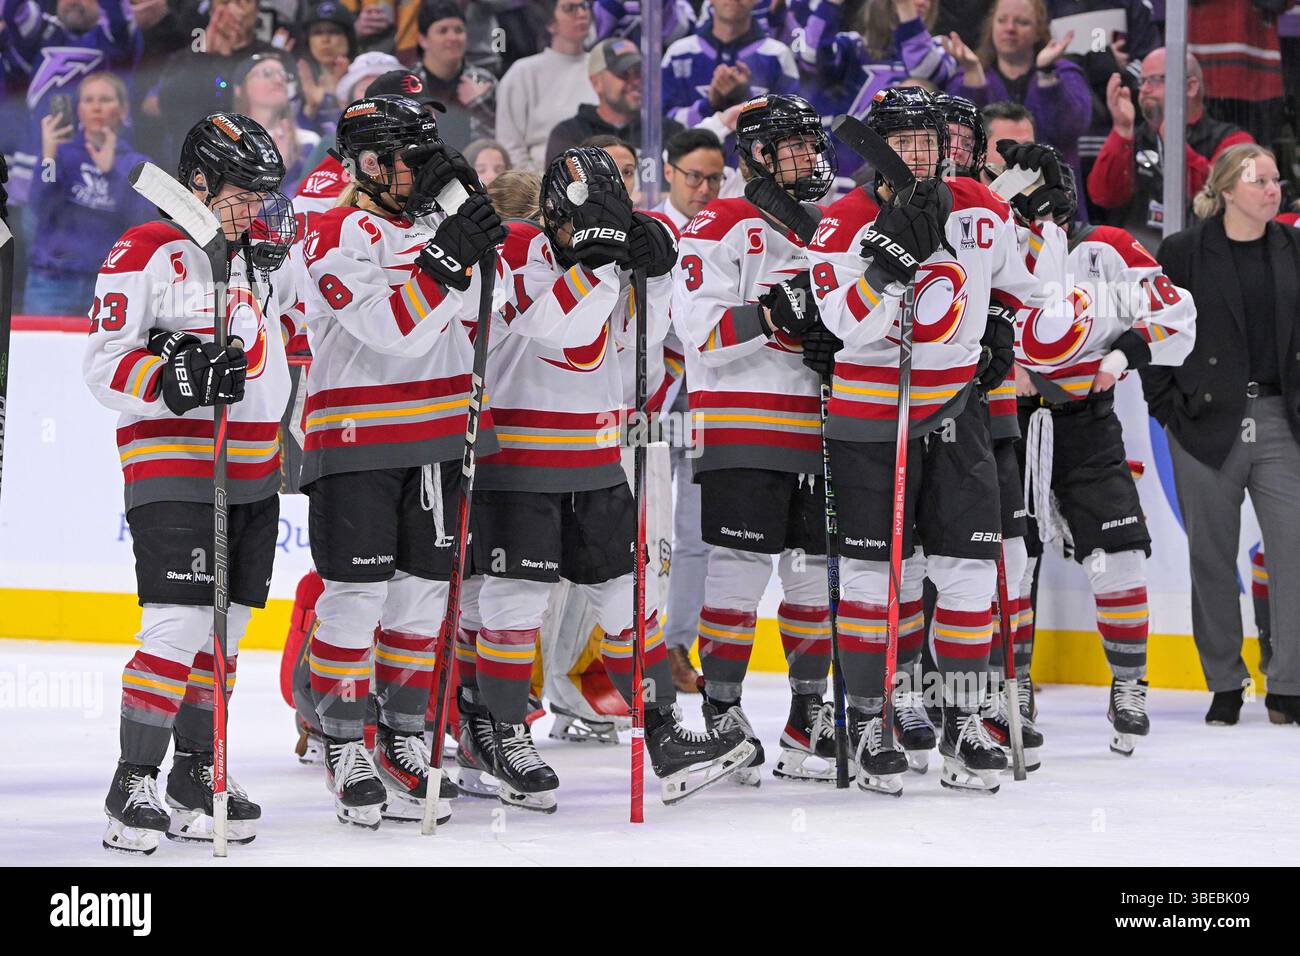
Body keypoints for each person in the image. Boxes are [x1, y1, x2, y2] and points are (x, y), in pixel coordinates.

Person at [468, 145, 752, 811]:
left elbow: (641, 361)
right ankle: (504, 738)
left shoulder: (613, 263)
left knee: (629, 602)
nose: (589, 234)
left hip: (597, 460)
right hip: (518, 460)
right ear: (554, 214)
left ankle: (662, 732)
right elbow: (553, 329)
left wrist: (654, 278)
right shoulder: (513, 249)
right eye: (579, 221)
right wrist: (602, 265)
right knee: (513, 605)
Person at [806, 86, 1072, 794]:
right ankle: (866, 721)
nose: (926, 155)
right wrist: (891, 262)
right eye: (909, 141)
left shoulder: (982, 209)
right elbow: (843, 326)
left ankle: (958, 721)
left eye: (934, 141)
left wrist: (1027, 298)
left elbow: (1027, 294)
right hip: (870, 419)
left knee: (968, 574)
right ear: (879, 147)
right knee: (871, 581)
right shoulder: (840, 223)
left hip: (958, 413)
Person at [87, 112, 297, 854]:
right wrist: (173, 377)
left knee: (227, 631)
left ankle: (197, 771)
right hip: (174, 460)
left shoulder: (256, 263)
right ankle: (132, 780)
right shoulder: (147, 247)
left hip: (252, 467)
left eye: (263, 196)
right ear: (199, 183)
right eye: (243, 194)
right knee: (177, 622)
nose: (255, 211)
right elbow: (103, 363)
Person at [297, 93, 508, 829]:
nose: (422, 168)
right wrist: (447, 257)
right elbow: (395, 333)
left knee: (421, 600)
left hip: (438, 437)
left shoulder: (429, 225)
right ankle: (342, 740)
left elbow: (491, 307)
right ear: (368, 162)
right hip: (355, 439)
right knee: (355, 598)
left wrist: (469, 239)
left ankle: (401, 736)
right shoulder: (330, 233)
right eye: (410, 157)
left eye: (428, 155)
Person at [672, 94, 844, 785]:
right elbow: (703, 334)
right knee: (738, 572)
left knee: (810, 576)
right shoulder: (721, 223)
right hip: (744, 424)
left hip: (820, 427)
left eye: (813, 144)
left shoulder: (830, 228)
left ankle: (809, 715)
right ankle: (721, 711)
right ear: (762, 157)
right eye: (797, 146)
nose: (812, 158)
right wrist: (778, 310)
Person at [1007, 138, 1196, 755]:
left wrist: (1119, 356)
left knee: (1120, 552)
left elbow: (1176, 316)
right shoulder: (993, 245)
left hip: (1086, 422)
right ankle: (1014, 690)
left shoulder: (1105, 249)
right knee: (1012, 560)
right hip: (1006, 425)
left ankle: (1129, 684)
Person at [1141, 143, 1300, 728]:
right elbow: (1156, 330)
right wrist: (1166, 408)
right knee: (1210, 556)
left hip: (1282, 418)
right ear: (1229, 189)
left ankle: (1288, 684)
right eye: (1262, 181)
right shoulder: (1184, 252)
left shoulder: (1293, 248)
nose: (1273, 190)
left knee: (1295, 555)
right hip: (1205, 423)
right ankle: (1225, 682)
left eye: (1277, 181)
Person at [1087, 49, 1254, 249]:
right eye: (1142, 81)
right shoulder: (1134, 137)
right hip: (1137, 263)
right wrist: (1121, 130)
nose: (1144, 89)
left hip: (1204, 257)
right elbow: (1104, 197)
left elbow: (1219, 198)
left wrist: (1175, 144)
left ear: (1190, 87)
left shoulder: (1232, 140)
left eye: (1156, 80)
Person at [942, 0, 1090, 216]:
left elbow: (1071, 127)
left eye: (1022, 22)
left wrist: (1047, 75)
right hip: (985, 208)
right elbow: (960, 142)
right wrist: (973, 77)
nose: (1010, 28)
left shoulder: (1065, 73)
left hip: (1053, 209)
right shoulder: (966, 73)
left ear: (1039, 31)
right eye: (1002, 20)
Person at [26, 72, 155, 316]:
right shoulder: (60, 155)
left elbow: (142, 225)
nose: (96, 107)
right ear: (79, 110)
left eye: (105, 99)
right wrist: (48, 157)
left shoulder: (136, 163)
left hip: (108, 285)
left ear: (124, 110)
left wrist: (112, 172)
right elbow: (39, 205)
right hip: (52, 282)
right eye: (88, 100)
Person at [805, 0, 956, 196]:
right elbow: (810, 55)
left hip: (909, 183)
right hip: (839, 178)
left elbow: (926, 71)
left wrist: (905, 10)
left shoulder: (941, 48)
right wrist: (829, 4)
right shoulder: (853, 47)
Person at [138, 0, 278, 163]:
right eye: (224, 2)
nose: (233, 10)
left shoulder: (271, 60)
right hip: (193, 164)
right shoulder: (185, 60)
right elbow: (153, 106)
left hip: (252, 162)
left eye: (242, 2)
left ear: (257, 11)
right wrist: (205, 57)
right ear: (212, 11)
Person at [661, 0, 800, 130]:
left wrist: (747, 98)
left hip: (754, 156)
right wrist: (709, 104)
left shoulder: (778, 55)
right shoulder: (679, 53)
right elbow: (664, 125)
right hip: (694, 154)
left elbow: (791, 126)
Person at [495, 0, 599, 171]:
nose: (582, 14)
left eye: (584, 6)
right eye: (570, 8)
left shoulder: (601, 69)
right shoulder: (523, 73)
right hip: (537, 183)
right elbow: (509, 145)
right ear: (551, 23)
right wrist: (537, 188)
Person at [546, 37, 684, 165]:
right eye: (624, 73)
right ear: (597, 83)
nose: (636, 82)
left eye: (639, 73)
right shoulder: (570, 135)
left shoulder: (668, 132)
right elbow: (564, 189)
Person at [411, 0, 498, 147]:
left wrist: (479, 105)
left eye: (459, 30)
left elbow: (500, 138)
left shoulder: (484, 81)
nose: (453, 37)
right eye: (443, 31)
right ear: (423, 40)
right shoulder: (407, 83)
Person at [295, 1, 358, 135]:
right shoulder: (300, 82)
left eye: (334, 32)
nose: (325, 39)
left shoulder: (363, 80)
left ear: (349, 38)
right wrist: (310, 109)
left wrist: (338, 98)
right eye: (317, 33)